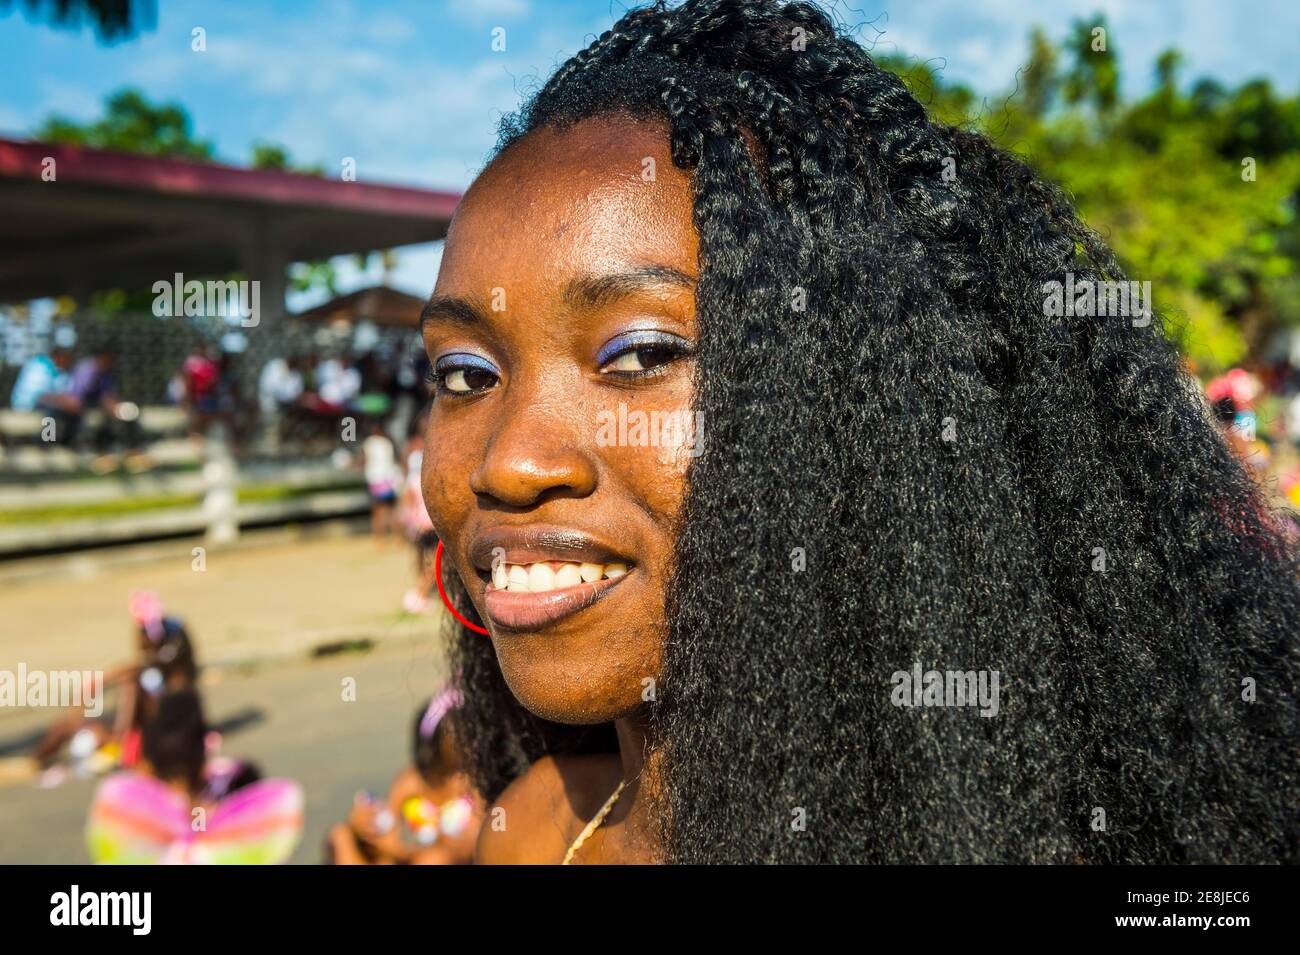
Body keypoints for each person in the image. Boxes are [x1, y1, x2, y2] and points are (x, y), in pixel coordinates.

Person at [419, 0, 1300, 864]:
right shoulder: (533, 832)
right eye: (466, 374)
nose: (510, 462)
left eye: (641, 352)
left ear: (879, 409)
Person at [327, 689, 483, 865]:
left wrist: (404, 851)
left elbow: (465, 846)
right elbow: (389, 830)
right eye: (456, 731)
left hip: (448, 860)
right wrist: (363, 826)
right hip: (408, 855)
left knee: (433, 860)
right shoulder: (410, 782)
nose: (465, 739)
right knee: (340, 834)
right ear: (433, 742)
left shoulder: (473, 783)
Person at [362, 420, 400, 543]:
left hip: (375, 480)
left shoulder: (369, 443)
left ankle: (380, 538)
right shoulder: (388, 442)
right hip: (388, 479)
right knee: (391, 509)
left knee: (378, 511)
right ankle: (396, 537)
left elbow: (365, 460)